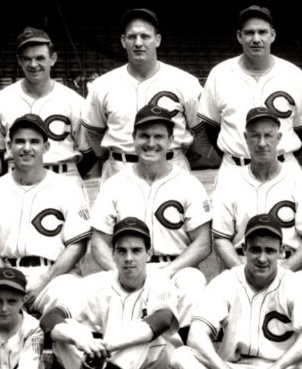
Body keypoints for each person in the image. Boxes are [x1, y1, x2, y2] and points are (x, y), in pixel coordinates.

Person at [33, 218, 187, 369]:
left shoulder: (160, 279)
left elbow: (162, 320)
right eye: (121, 251)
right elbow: (50, 318)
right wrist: (81, 341)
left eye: (136, 250)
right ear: (113, 254)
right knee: (65, 335)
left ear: (148, 254)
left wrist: (106, 347)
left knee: (141, 337)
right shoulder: (98, 282)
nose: (129, 258)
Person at [172, 213, 302, 369]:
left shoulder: (293, 283)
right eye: (255, 250)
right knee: (181, 357)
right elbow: (196, 336)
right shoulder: (226, 282)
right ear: (244, 250)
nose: (262, 258)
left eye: (270, 250)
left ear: (282, 252)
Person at [0, 114, 89, 340]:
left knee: (75, 301)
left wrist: (45, 280)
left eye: (34, 141)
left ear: (46, 146)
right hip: (6, 272)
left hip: (55, 276)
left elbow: (78, 244)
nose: (26, 148)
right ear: (9, 146)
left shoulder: (66, 187)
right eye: (19, 141)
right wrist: (9, 280)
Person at [88, 106, 213, 323]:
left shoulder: (188, 184)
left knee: (193, 282)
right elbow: (98, 243)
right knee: (95, 288)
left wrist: (166, 272)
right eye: (144, 136)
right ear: (133, 138)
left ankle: (186, 350)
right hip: (126, 267)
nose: (151, 143)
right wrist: (122, 272)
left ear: (171, 140)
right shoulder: (114, 184)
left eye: (159, 137)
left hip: (176, 268)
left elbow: (202, 242)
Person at [196, 4, 302, 188]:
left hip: (284, 169)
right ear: (239, 36)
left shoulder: (294, 75)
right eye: (249, 32)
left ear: (273, 35)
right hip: (234, 170)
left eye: (262, 32)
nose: (256, 39)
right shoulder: (219, 74)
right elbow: (212, 128)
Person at [82, 7, 204, 181]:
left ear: (158, 40)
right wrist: (112, 159)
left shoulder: (185, 82)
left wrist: (178, 160)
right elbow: (93, 132)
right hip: (120, 171)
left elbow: (202, 134)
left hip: (172, 169)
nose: (138, 43)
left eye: (145, 36)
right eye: (132, 37)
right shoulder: (103, 85)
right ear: (123, 41)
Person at [209, 107, 302, 273]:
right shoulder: (229, 183)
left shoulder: (299, 181)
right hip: (241, 266)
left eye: (268, 135)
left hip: (289, 267)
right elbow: (220, 239)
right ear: (246, 138)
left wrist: (284, 271)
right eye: (255, 135)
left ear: (278, 138)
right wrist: (245, 274)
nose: (262, 143)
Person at [0, 27, 93, 177]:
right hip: (17, 179)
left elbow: (89, 153)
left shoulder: (73, 101)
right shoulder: (1, 101)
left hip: (63, 176)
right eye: (27, 59)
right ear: (19, 61)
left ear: (53, 59)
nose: (33, 65)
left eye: (40, 58)